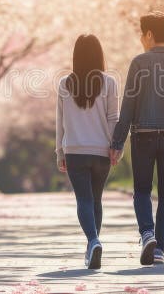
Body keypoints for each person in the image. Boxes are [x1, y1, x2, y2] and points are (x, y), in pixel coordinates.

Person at [110, 11, 164, 266]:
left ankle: (147, 234)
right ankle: (160, 249)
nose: (140, 37)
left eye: (141, 32)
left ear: (148, 34)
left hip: (143, 137)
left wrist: (117, 142)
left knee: (142, 190)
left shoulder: (139, 62)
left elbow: (128, 105)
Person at [56, 34, 119, 270]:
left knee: (83, 199)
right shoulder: (110, 82)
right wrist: (116, 146)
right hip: (102, 151)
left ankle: (93, 242)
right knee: (96, 199)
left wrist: (59, 151)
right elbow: (114, 118)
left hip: (74, 150)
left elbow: (60, 121)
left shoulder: (64, 83)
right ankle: (93, 244)